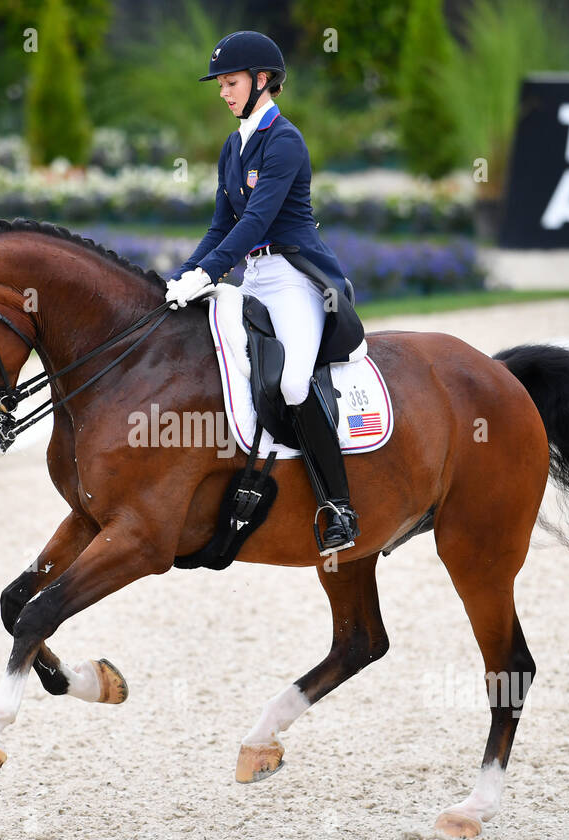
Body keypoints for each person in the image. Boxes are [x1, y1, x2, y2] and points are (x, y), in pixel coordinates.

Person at [164, 30, 365, 557]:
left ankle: (338, 506)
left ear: (261, 81)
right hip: (250, 279)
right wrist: (183, 276)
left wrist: (209, 273)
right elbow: (220, 226)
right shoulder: (234, 146)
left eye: (231, 83)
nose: (224, 93)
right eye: (222, 85)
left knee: (294, 382)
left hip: (295, 279)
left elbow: (257, 220)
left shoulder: (285, 140)